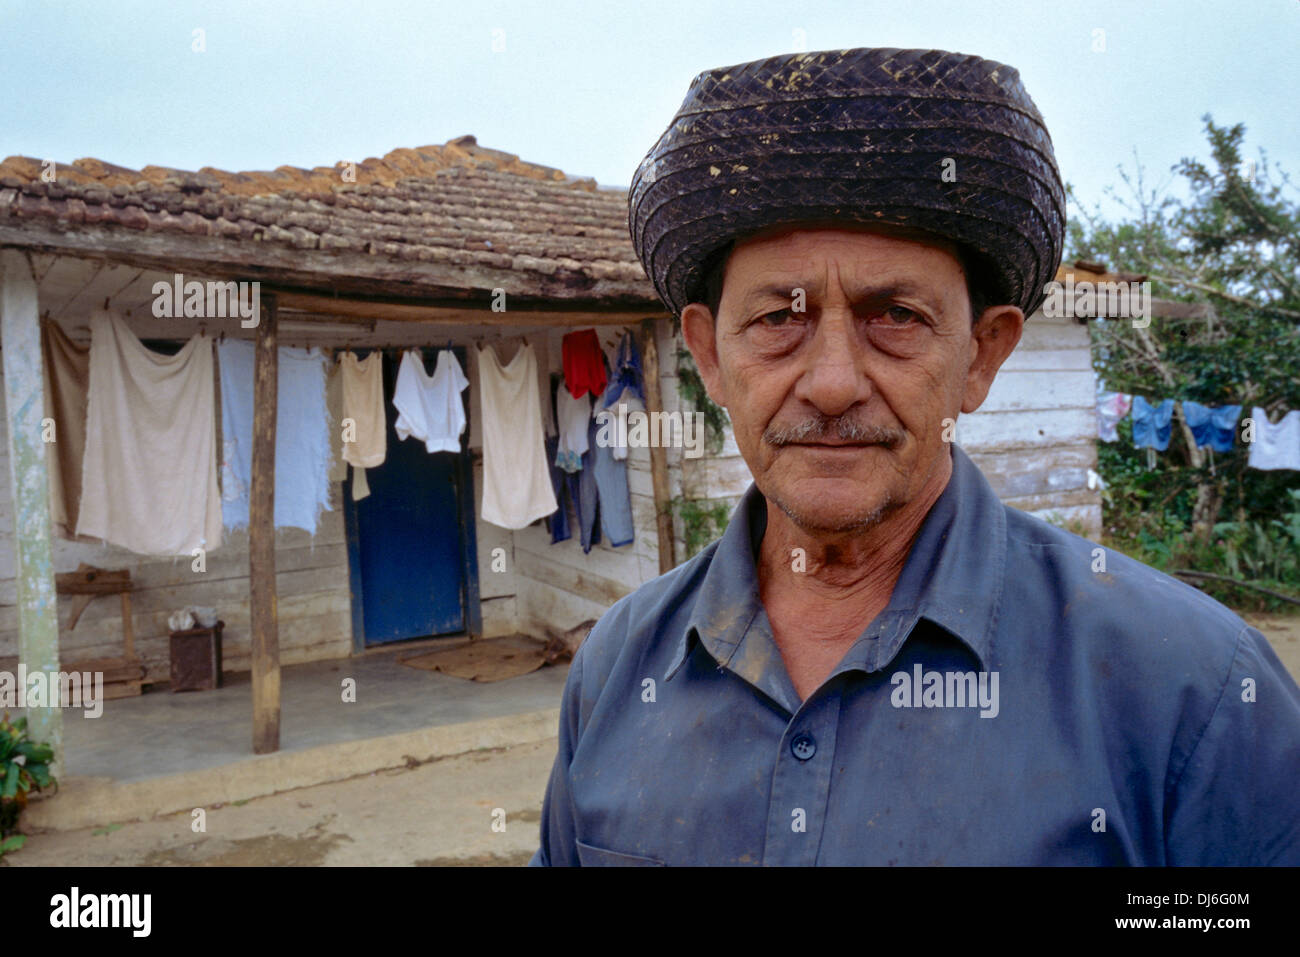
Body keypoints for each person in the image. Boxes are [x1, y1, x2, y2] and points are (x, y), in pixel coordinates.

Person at [530, 47, 1300, 865]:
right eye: (778, 319)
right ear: (709, 356)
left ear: (981, 355)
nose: (832, 384)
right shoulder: (615, 666)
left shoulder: (1194, 692)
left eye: (895, 315)